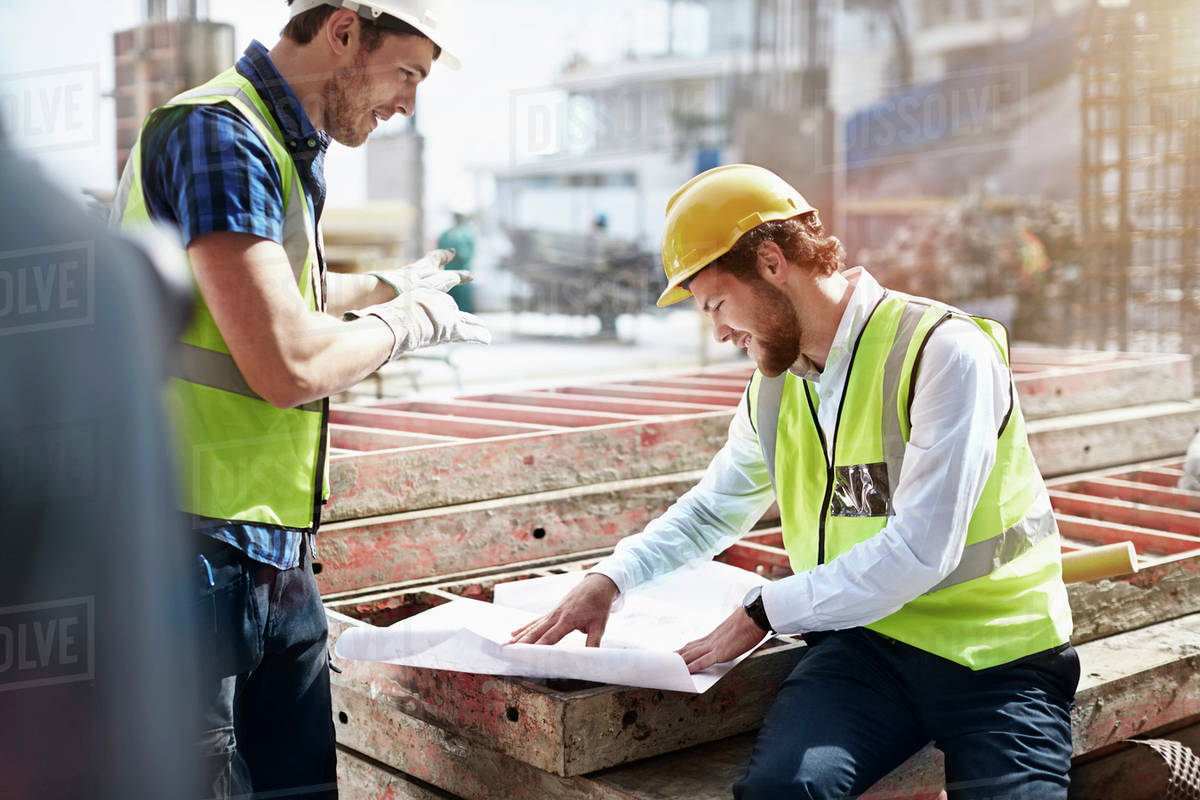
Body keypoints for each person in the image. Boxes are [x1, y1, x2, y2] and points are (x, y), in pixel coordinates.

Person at [511, 164, 1078, 800]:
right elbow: (713, 509)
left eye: (717, 304)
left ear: (774, 263)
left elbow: (924, 548)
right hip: (867, 652)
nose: (720, 332)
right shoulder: (774, 389)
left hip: (997, 659)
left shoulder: (943, 353)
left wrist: (765, 610)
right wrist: (611, 578)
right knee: (784, 792)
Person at [110, 2, 488, 798]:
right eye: (407, 74)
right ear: (344, 31)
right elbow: (282, 361)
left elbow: (267, 293)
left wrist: (386, 285)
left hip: (267, 549)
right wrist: (404, 322)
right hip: (191, 546)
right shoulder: (221, 133)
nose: (407, 104)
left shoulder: (279, 144)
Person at [437, 210, 476, 313]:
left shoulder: (467, 234)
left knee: (463, 301)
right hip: (449, 272)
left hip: (463, 273)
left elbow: (467, 253)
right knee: (450, 299)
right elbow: (441, 253)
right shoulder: (446, 234)